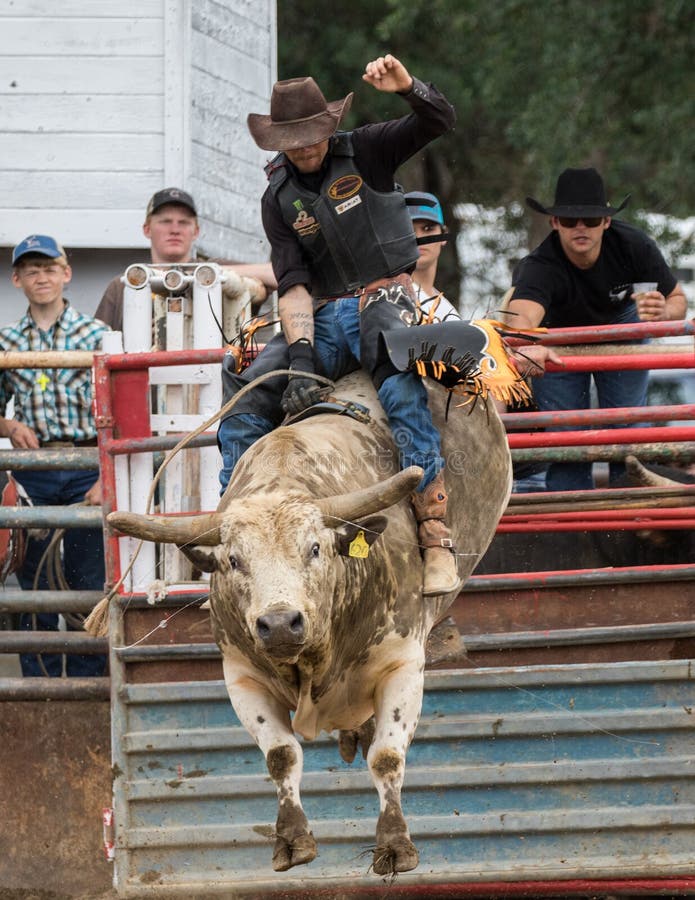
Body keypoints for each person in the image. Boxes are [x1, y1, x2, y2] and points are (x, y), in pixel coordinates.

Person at [218, 53, 460, 597]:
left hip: (387, 293)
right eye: (293, 140)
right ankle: (236, 523)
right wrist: (301, 358)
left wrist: (408, 86)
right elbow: (293, 283)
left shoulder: (367, 149)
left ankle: (434, 533)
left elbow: (439, 120)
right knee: (247, 390)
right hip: (324, 310)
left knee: (398, 381)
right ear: (278, 141)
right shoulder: (278, 197)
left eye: (312, 136)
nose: (305, 147)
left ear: (328, 128)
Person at [503, 167, 687, 492]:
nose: (580, 227)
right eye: (570, 220)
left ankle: (629, 512)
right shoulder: (540, 265)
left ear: (606, 222)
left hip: (621, 327)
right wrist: (527, 342)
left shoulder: (634, 246)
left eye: (589, 219)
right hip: (557, 337)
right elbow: (520, 318)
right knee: (565, 436)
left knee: (628, 427)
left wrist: (663, 312)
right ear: (555, 222)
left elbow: (677, 301)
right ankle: (572, 518)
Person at [0, 235, 110, 677]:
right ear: (17, 280)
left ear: (66, 273)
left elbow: (118, 409)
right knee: (35, 580)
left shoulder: (98, 335)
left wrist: (105, 474)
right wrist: (10, 426)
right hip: (35, 470)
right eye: (31, 270)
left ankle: (88, 683)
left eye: (49, 268)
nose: (41, 277)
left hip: (87, 467)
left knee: (88, 577)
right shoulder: (6, 341)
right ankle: (41, 682)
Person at [95, 187, 278, 331]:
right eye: (165, 221)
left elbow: (277, 273)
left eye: (184, 222)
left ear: (196, 231)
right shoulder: (124, 284)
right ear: (147, 229)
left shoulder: (216, 270)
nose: (175, 230)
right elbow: (97, 345)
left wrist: (205, 274)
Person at [405, 191, 460, 323]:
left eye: (428, 229)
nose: (419, 238)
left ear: (444, 235)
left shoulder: (449, 312)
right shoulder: (388, 297)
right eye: (408, 230)